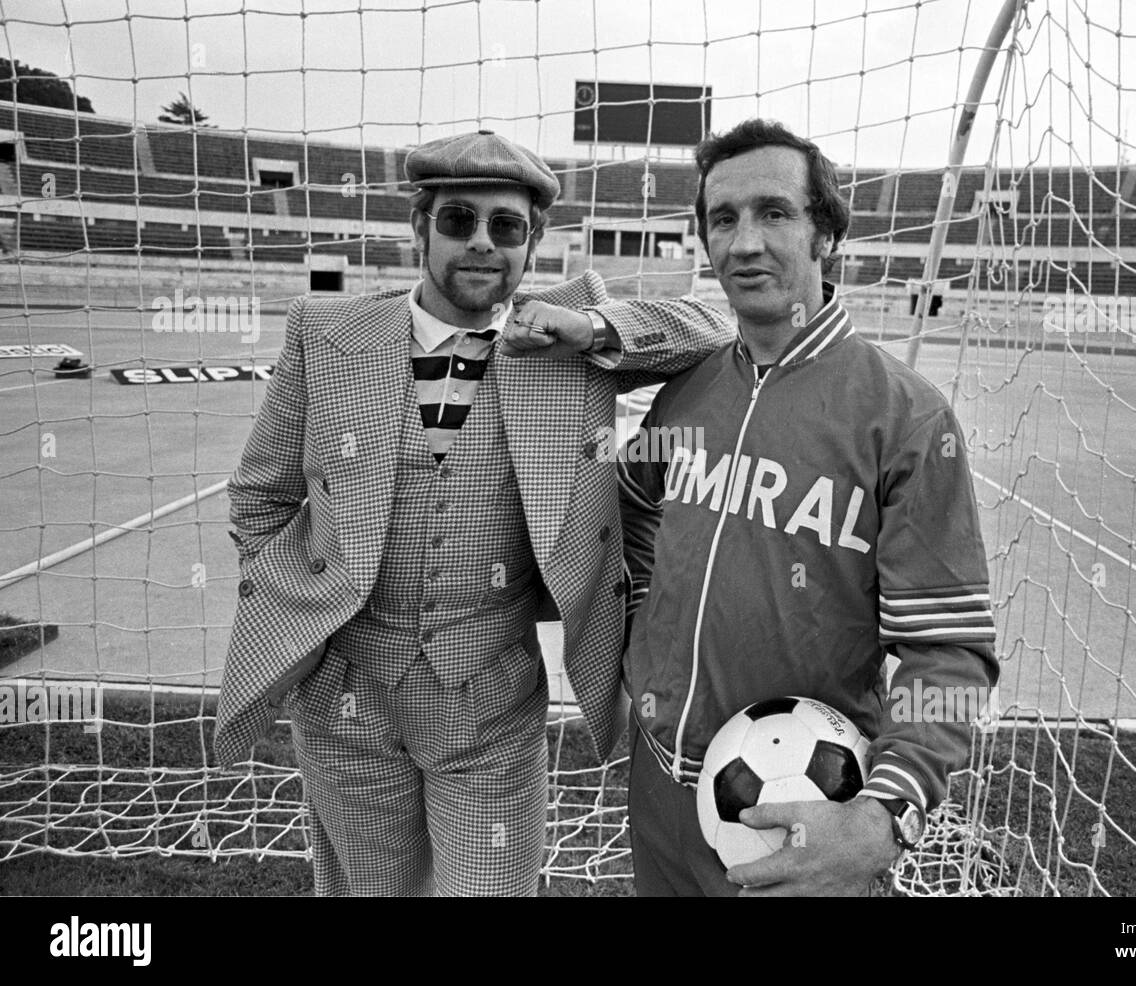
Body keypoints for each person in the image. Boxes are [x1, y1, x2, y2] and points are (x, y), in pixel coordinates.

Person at [213, 129, 733, 896]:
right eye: (458, 220)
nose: (482, 243)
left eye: (506, 227)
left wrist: (593, 330)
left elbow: (715, 330)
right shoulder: (325, 334)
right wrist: (301, 608)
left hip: (490, 699)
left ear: (534, 243)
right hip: (344, 696)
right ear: (419, 228)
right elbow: (260, 494)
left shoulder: (567, 335)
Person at [616, 118, 999, 896]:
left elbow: (951, 655)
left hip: (804, 813)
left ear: (826, 233)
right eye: (722, 220)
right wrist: (646, 640)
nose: (744, 242)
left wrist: (887, 811)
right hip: (657, 790)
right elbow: (629, 512)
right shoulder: (686, 394)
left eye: (773, 212)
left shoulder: (908, 419)